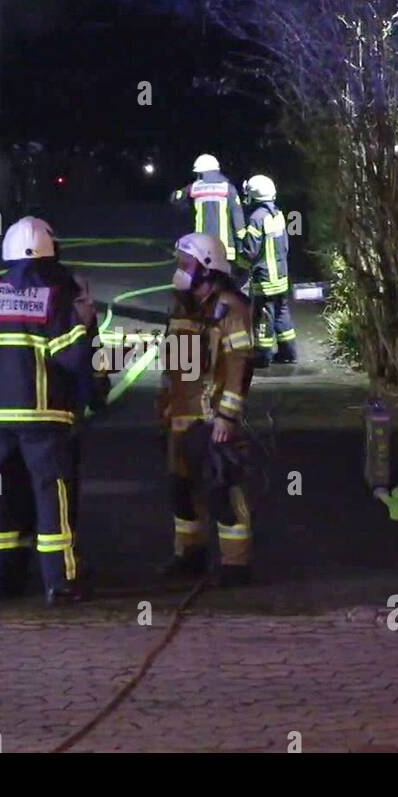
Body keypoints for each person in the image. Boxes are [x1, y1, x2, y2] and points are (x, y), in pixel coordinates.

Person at [0, 217, 103, 606]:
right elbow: (74, 356)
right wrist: (88, 325)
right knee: (51, 495)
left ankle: (1, 581)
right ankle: (60, 582)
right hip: (44, 418)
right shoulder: (54, 297)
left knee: (0, 496)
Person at [156, 232, 257, 587]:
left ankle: (235, 564)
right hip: (181, 416)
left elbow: (240, 362)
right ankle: (190, 554)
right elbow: (175, 361)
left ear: (208, 267)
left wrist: (228, 415)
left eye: (187, 263)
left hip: (213, 417)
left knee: (223, 488)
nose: (181, 269)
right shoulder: (183, 304)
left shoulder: (230, 307)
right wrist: (166, 401)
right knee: (180, 488)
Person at [241, 174, 297, 366]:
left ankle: (262, 355)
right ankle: (288, 352)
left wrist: (240, 245)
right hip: (281, 275)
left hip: (265, 278)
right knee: (282, 312)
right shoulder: (278, 214)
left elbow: (250, 250)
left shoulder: (257, 218)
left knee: (264, 315)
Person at [169, 154, 246, 267]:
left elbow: (175, 198)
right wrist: (241, 245)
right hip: (224, 247)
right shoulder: (229, 188)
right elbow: (238, 219)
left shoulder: (194, 187)